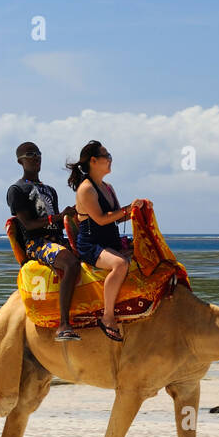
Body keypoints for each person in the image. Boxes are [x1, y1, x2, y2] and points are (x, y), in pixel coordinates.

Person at [6, 141, 81, 341]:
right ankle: (63, 324)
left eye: (38, 154)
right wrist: (59, 216)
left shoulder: (50, 190)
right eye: (30, 154)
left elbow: (57, 223)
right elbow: (28, 224)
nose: (36, 157)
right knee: (71, 263)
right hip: (37, 243)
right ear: (20, 161)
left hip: (57, 240)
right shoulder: (17, 189)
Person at [67, 140, 132, 341]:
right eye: (107, 155)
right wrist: (127, 210)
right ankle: (108, 317)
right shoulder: (86, 189)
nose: (111, 159)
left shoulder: (108, 187)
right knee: (120, 265)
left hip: (110, 240)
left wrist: (138, 209)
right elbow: (102, 219)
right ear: (94, 161)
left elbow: (119, 216)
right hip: (91, 244)